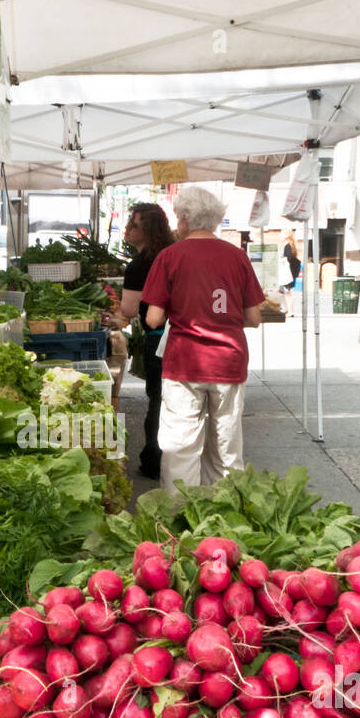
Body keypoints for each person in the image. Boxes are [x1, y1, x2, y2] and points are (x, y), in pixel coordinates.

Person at [141, 186, 263, 490]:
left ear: (183, 218)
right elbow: (253, 318)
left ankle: (179, 517)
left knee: (180, 446)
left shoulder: (169, 256)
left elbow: (153, 318)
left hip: (184, 363)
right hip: (229, 362)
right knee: (226, 445)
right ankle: (223, 516)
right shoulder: (237, 256)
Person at [118, 203, 176, 480]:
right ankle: (173, 458)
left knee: (157, 400)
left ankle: (154, 461)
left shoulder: (140, 264)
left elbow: (129, 311)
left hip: (158, 338)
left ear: (148, 230)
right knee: (175, 400)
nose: (128, 228)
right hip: (180, 335)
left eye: (134, 224)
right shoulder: (174, 255)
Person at [280, 233, 302, 316]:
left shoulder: (287, 246)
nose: (280, 236)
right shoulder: (291, 245)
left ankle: (290, 311)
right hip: (291, 272)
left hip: (288, 272)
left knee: (287, 292)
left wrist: (281, 259)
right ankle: (286, 309)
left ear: (286, 236)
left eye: (281, 234)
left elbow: (288, 258)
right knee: (284, 291)